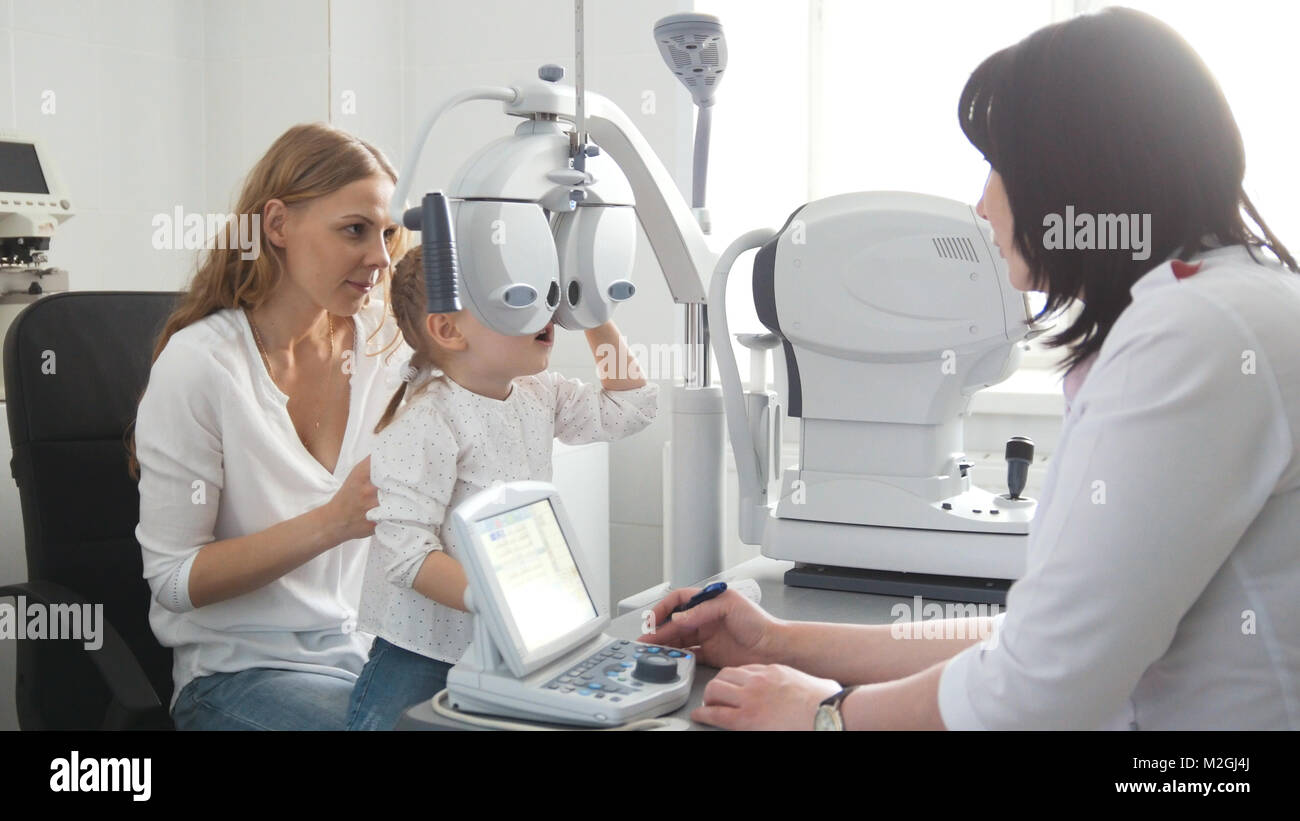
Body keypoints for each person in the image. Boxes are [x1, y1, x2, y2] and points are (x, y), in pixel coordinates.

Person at [641, 6, 1300, 730]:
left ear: (1073, 175)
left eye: (998, 166)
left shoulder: (1193, 333)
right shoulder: (1214, 308)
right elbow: (1038, 639)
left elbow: (1039, 687)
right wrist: (778, 640)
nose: (980, 202)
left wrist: (826, 715)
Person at [129, 123, 413, 730]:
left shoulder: (383, 352)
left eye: (387, 233)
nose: (380, 259)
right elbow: (174, 581)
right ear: (278, 225)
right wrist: (333, 523)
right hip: (238, 676)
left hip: (367, 655)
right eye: (355, 230)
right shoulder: (202, 365)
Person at [344, 244, 659, 730]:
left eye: (546, 293)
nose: (544, 310)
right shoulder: (429, 420)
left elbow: (630, 408)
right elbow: (406, 555)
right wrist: (507, 606)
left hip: (506, 646)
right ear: (448, 330)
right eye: (517, 298)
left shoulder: (539, 394)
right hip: (422, 653)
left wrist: (592, 312)